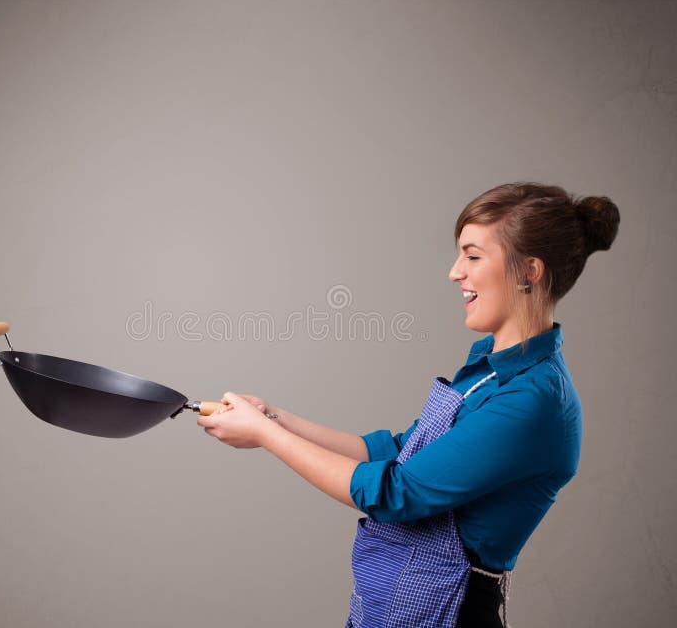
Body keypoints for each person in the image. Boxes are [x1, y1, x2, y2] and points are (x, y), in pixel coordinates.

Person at [197, 182, 620, 628]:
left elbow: (398, 492)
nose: (455, 272)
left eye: (473, 256)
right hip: (391, 609)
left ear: (528, 271)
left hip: (446, 613)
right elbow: (400, 453)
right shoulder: (489, 370)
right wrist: (274, 417)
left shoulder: (532, 399)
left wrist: (266, 436)